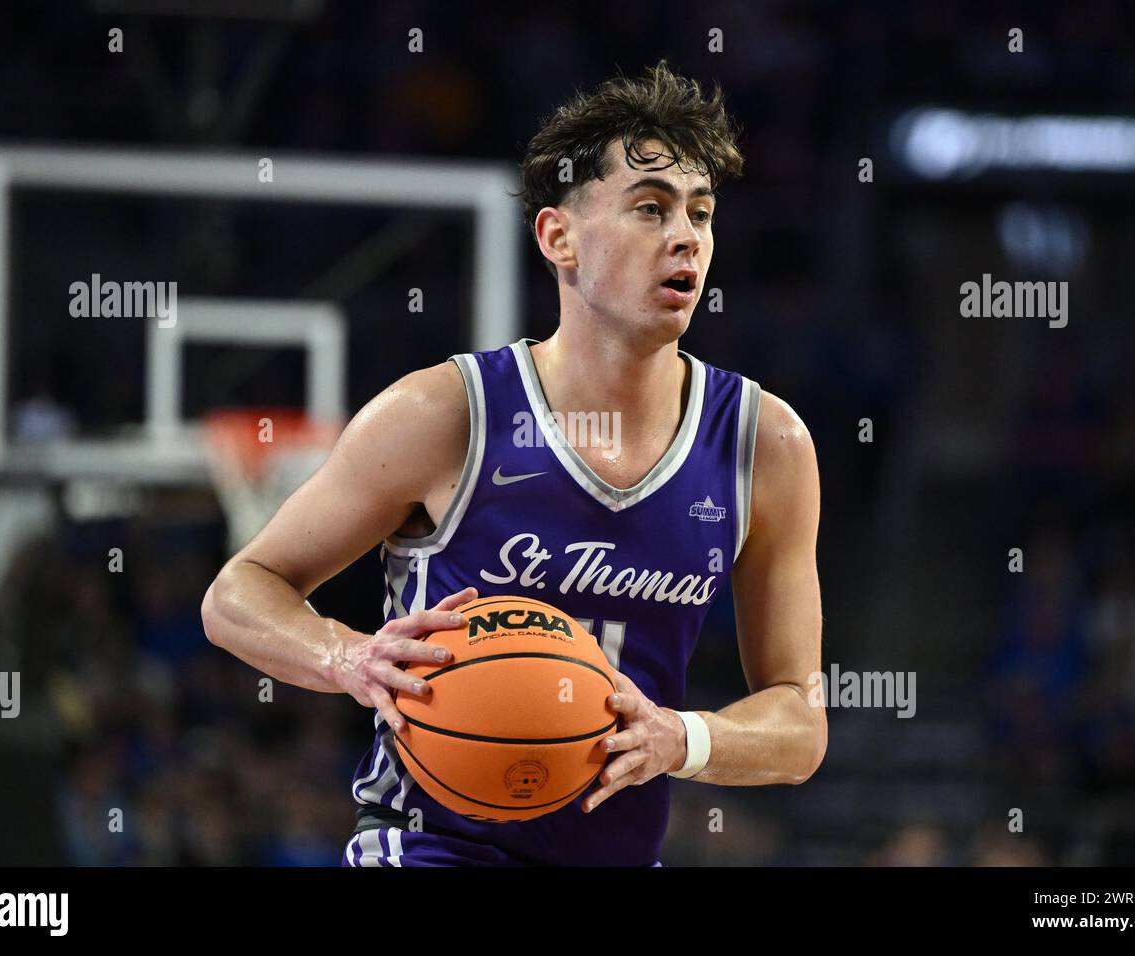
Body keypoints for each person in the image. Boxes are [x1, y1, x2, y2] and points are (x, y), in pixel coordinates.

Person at [201, 60, 825, 866]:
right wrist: (345, 655)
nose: (686, 238)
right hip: (433, 847)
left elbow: (800, 723)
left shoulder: (764, 444)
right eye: (650, 208)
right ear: (557, 237)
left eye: (701, 215)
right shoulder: (446, 415)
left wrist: (684, 737)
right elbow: (237, 594)